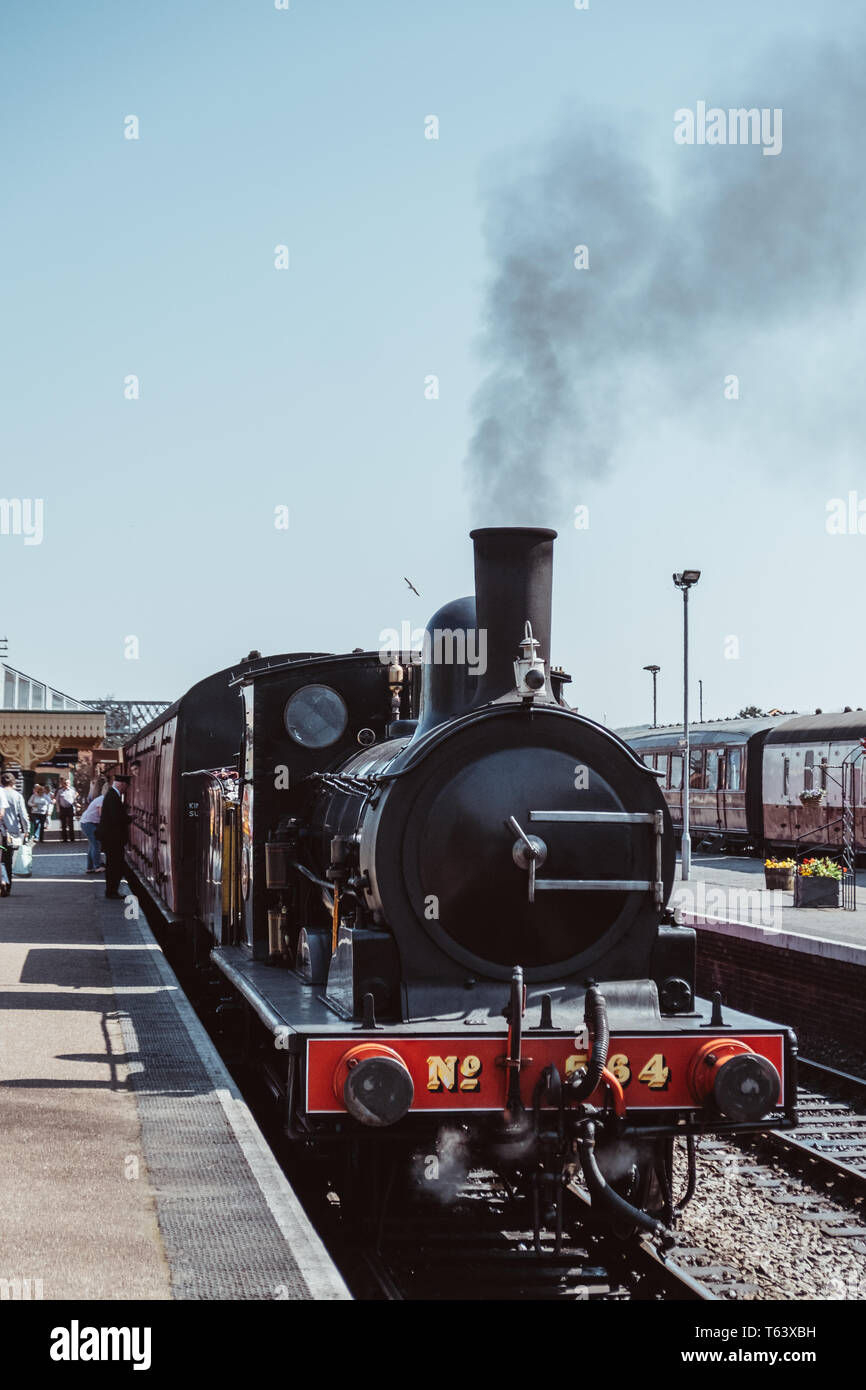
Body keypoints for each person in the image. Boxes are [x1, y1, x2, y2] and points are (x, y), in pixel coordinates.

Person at [98, 769, 131, 899]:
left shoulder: (111, 795)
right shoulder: (113, 796)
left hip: (112, 839)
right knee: (114, 866)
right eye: (126, 786)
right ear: (121, 784)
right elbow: (116, 818)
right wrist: (130, 818)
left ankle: (112, 891)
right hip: (113, 840)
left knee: (114, 865)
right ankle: (111, 892)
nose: (126, 789)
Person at [0, 772, 31, 895]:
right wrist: (27, 830)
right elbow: (23, 815)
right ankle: (7, 886)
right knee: (7, 860)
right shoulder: (17, 796)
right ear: (13, 783)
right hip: (10, 832)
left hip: (2, 829)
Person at [80, 783, 105, 874]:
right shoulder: (102, 799)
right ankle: (97, 866)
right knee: (96, 844)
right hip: (89, 824)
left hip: (87, 823)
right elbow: (101, 815)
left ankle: (90, 867)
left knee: (92, 845)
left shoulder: (100, 798)